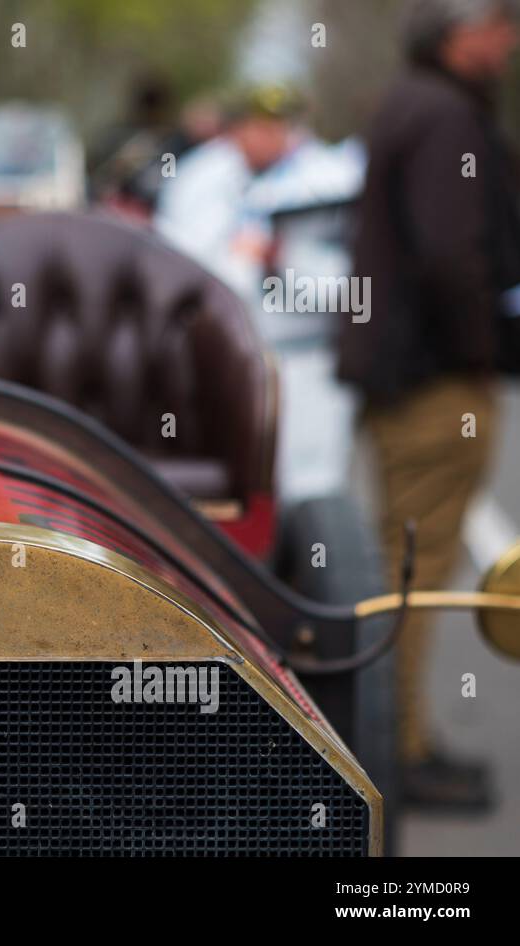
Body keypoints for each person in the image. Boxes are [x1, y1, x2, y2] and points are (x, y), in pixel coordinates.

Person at [338, 0, 520, 811]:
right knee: (418, 570)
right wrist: (482, 355)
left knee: (401, 561)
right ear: (459, 33)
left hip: (402, 374)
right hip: (431, 380)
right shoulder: (446, 116)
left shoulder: (409, 103)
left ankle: (394, 741)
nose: (510, 41)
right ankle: (397, 753)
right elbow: (452, 251)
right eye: (501, 23)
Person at [154, 85, 302, 301]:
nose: (279, 140)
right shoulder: (208, 174)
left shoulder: (254, 171)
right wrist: (248, 251)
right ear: (239, 129)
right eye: (267, 130)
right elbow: (187, 259)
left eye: (283, 130)